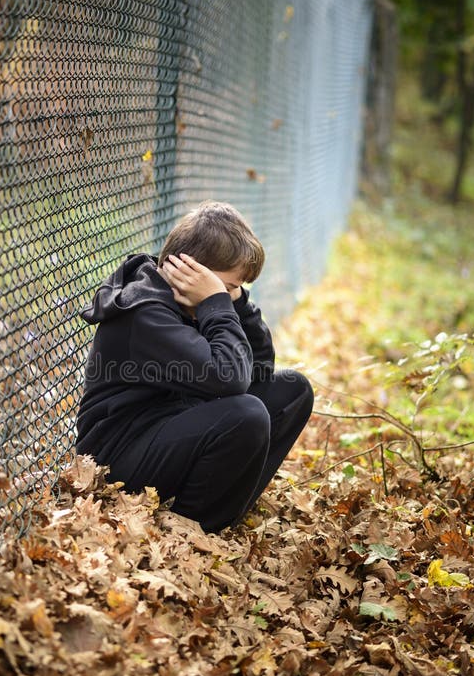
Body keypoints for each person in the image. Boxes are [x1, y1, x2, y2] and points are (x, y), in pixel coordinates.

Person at [76, 200, 313, 533]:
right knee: (246, 415)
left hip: (169, 428)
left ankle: (228, 512)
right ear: (192, 272)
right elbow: (230, 380)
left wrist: (236, 303)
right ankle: (194, 530)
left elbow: (257, 372)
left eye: (236, 289)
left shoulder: (195, 301)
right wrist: (215, 303)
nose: (228, 295)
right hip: (118, 458)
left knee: (293, 389)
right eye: (228, 286)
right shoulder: (145, 313)